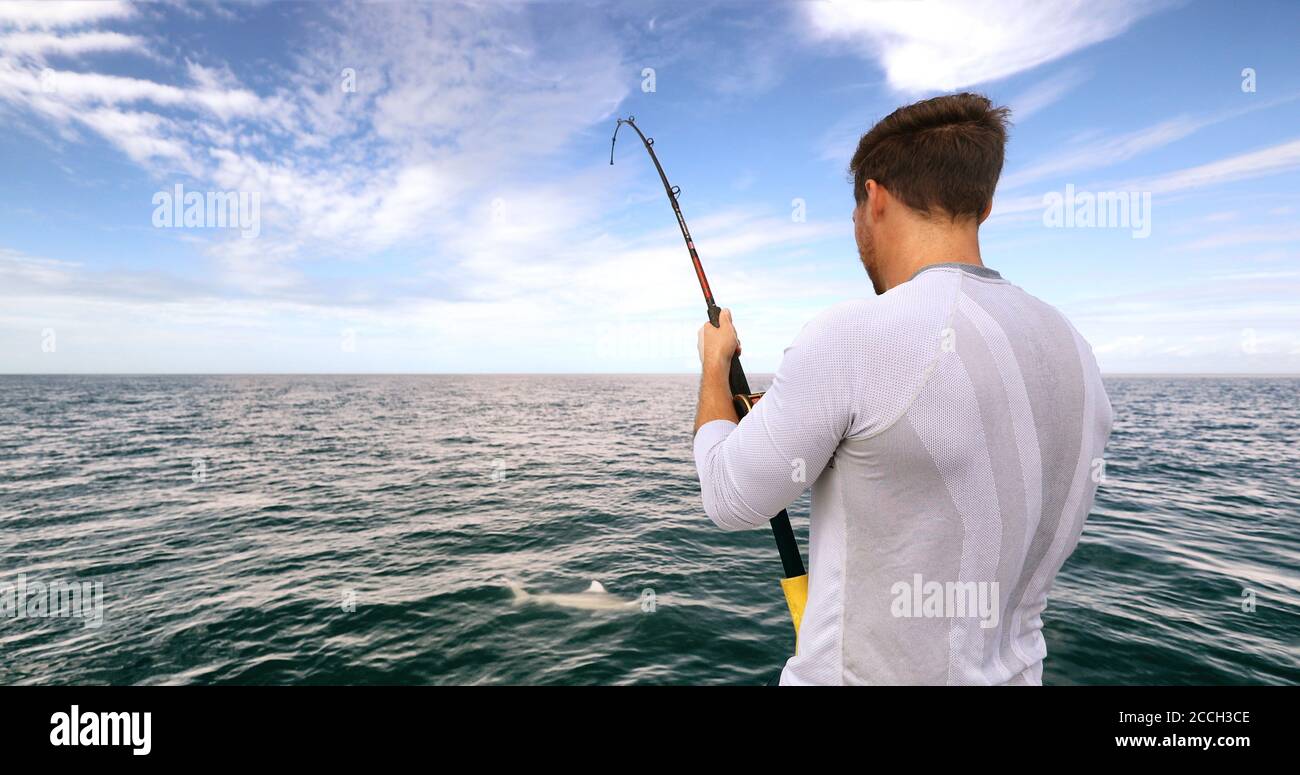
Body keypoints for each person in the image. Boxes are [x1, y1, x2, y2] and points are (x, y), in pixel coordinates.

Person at [693, 93, 1113, 685]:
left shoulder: (856, 334)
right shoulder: (1075, 351)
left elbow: (728, 496)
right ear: (985, 205)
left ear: (874, 198)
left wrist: (715, 366)